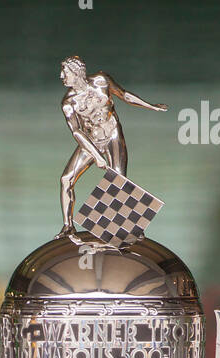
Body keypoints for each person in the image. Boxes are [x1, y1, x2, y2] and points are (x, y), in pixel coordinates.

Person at [58, 56, 166, 232]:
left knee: (118, 180)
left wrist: (151, 106)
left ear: (77, 73)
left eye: (65, 72)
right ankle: (67, 226)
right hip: (90, 140)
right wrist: (96, 155)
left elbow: (124, 95)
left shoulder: (102, 81)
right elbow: (77, 132)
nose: (62, 76)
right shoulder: (69, 102)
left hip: (112, 134)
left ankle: (127, 228)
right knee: (66, 179)